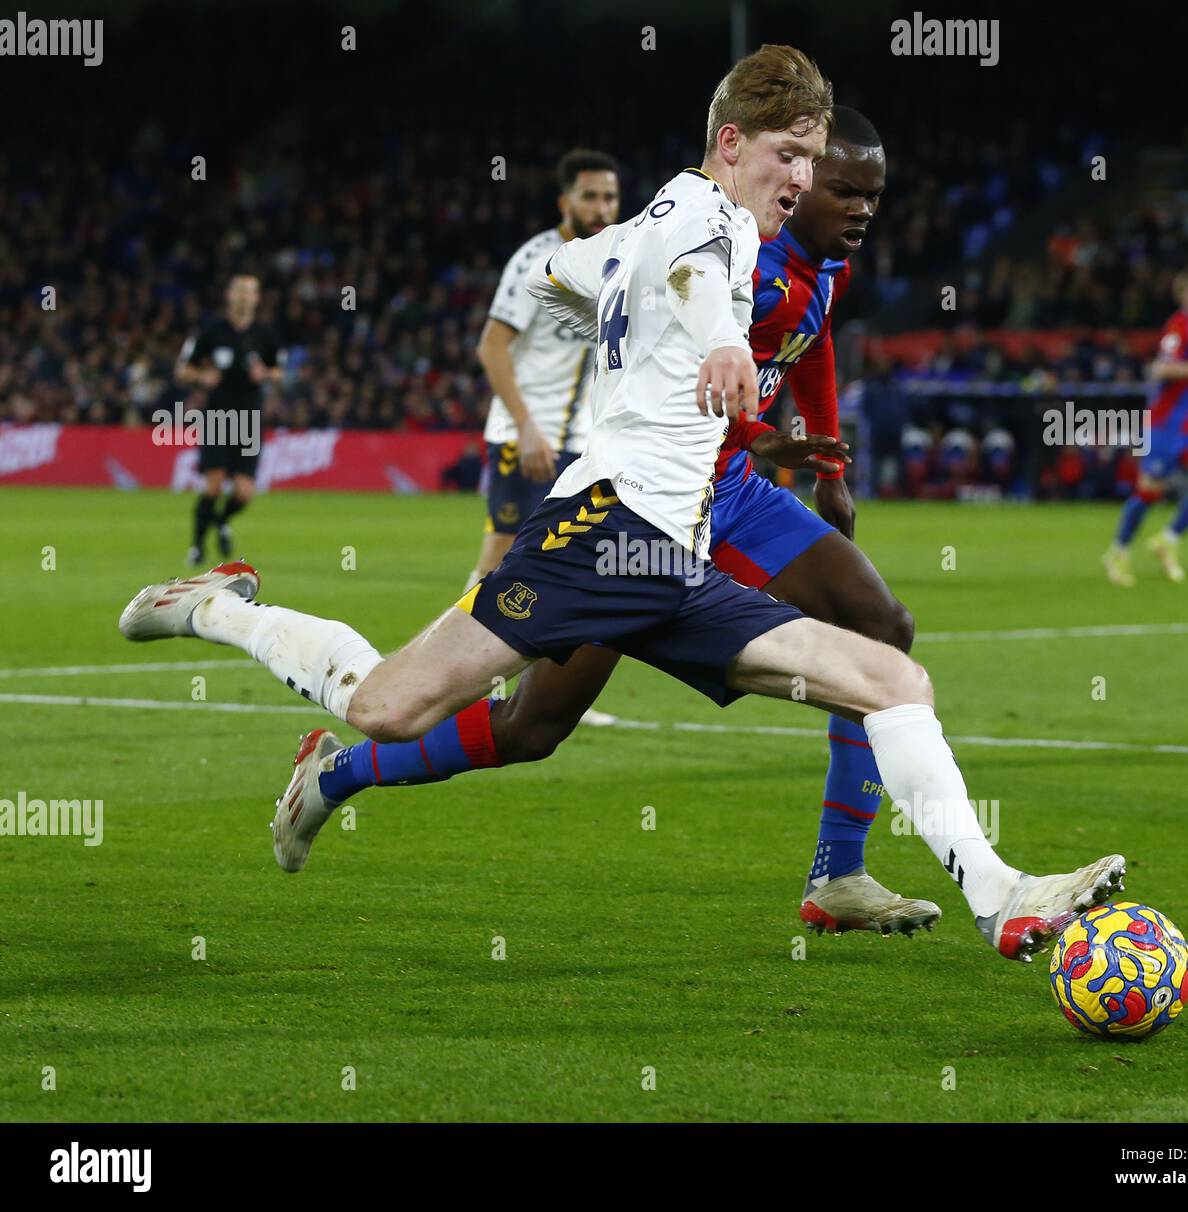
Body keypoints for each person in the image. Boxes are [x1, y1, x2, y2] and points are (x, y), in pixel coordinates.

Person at [120, 45, 1124, 963]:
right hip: (594, 540)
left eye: (813, 160)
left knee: (891, 675)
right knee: (388, 706)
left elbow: (578, 268)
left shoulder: (648, 228)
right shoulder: (707, 221)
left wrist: (622, 294)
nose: (803, 181)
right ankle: (220, 606)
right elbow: (695, 273)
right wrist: (717, 338)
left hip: (671, 563)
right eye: (788, 155)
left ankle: (1000, 896)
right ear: (730, 144)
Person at [306, 106, 941, 939]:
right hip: (645, 512)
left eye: (873, 193)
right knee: (533, 727)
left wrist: (827, 468)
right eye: (844, 188)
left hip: (735, 494)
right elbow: (682, 371)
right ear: (795, 178)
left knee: (881, 625)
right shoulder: (736, 256)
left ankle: (839, 873)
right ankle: (338, 774)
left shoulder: (824, 269)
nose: (861, 208)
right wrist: (762, 434)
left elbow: (812, 345)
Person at [467, 149, 620, 591]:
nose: (601, 207)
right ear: (564, 203)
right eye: (589, 196)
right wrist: (526, 426)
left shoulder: (614, 259)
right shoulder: (536, 258)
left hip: (580, 440)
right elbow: (491, 347)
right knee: (504, 555)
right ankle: (460, 657)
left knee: (565, 564)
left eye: (609, 197)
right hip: (528, 436)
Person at [1103, 268, 1188, 586]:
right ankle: (1118, 551)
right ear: (1184, 296)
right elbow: (1160, 369)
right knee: (1150, 492)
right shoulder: (1178, 326)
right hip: (1164, 425)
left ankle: (1168, 539)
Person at [174, 274, 282, 566]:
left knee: (245, 492)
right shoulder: (212, 331)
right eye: (239, 291)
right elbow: (182, 369)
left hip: (249, 418)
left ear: (257, 298)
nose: (245, 296)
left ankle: (221, 521)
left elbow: (280, 372)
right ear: (229, 296)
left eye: (250, 292)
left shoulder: (265, 334)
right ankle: (197, 546)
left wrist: (267, 375)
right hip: (217, 416)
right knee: (214, 484)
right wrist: (201, 376)